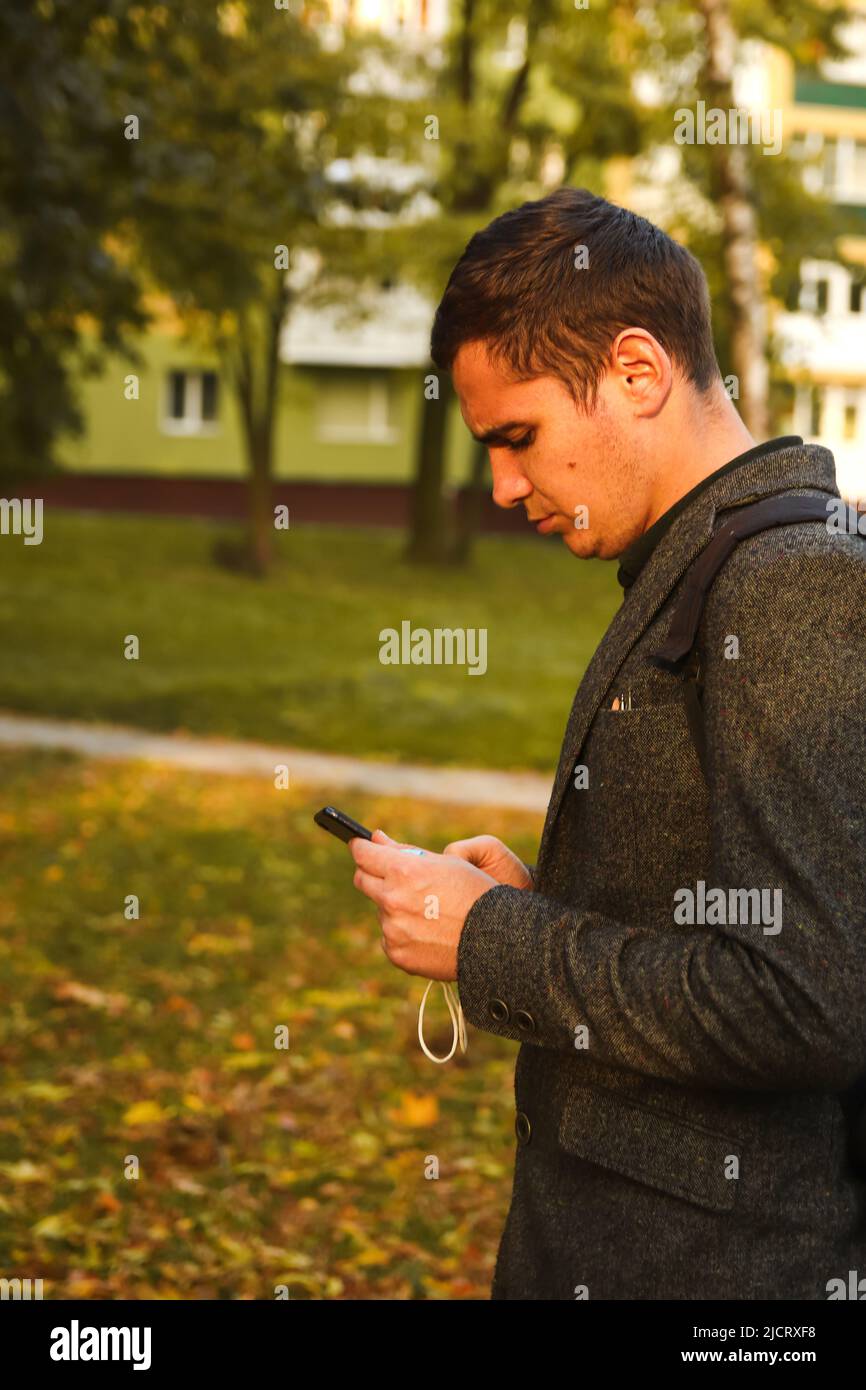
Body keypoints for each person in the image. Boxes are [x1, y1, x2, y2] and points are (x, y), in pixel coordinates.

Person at [349, 187, 866, 1299]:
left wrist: (495, 941)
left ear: (636, 372)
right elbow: (738, 905)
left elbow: (802, 1001)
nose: (498, 484)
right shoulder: (702, 563)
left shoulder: (785, 584)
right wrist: (546, 895)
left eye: (516, 436)